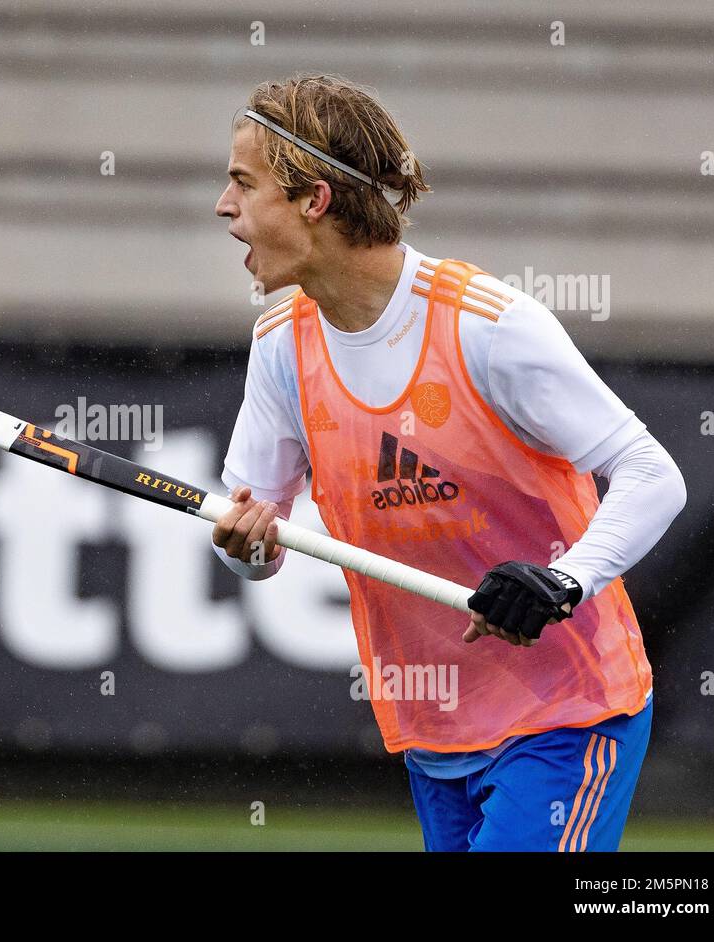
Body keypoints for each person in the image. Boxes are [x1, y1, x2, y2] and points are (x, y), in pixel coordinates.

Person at [211, 73, 687, 851]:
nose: (224, 207)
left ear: (314, 200)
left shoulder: (487, 326)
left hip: (567, 713)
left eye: (242, 183)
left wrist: (568, 580)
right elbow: (256, 542)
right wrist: (245, 548)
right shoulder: (280, 346)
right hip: (432, 730)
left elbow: (652, 473)